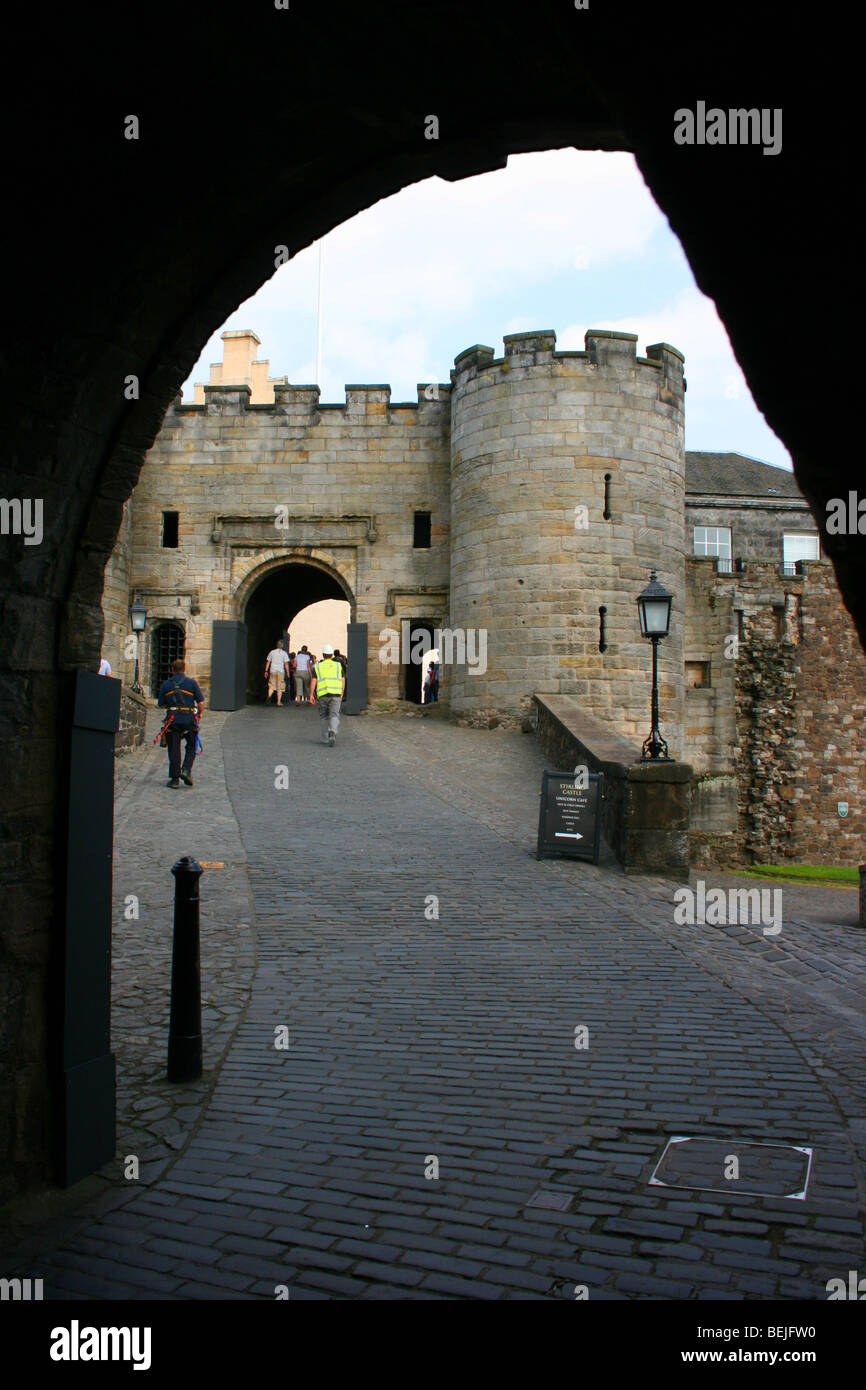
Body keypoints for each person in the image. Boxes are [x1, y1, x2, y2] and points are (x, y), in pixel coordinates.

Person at [157, 658, 205, 789]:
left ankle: (174, 779)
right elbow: (200, 703)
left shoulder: (166, 685)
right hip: (189, 719)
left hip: (173, 719)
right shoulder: (191, 683)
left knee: (173, 748)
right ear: (184, 669)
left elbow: (161, 704)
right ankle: (186, 769)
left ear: (172, 670)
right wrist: (199, 714)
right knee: (191, 744)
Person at [311, 644, 346, 746]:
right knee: (334, 714)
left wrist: (311, 695)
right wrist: (342, 692)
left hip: (322, 694)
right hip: (335, 693)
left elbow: (314, 680)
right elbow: (342, 680)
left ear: (323, 655)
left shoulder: (317, 666)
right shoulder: (337, 666)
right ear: (331, 655)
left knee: (324, 716)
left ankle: (325, 738)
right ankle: (333, 731)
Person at [264, 640, 290, 706]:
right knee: (280, 687)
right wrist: (288, 673)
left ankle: (269, 696)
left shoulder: (272, 652)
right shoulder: (284, 653)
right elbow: (286, 664)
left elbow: (268, 662)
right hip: (280, 671)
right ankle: (278, 702)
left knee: (271, 686)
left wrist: (266, 671)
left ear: (277, 645)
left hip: (273, 670)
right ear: (282, 646)